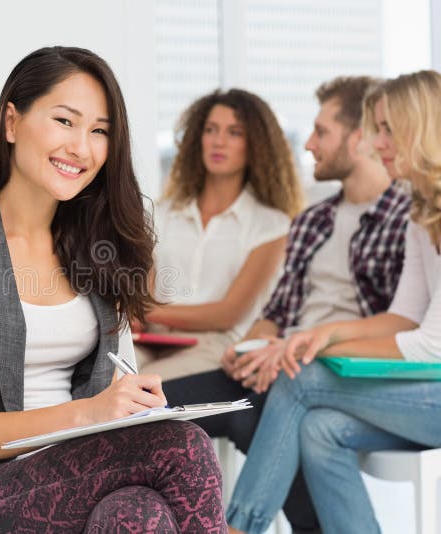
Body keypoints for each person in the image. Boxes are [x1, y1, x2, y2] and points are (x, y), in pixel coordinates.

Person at [0, 46, 227, 533]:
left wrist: (132, 403)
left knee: (137, 517)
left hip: (80, 473)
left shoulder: (98, 243)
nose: (82, 148)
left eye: (100, 131)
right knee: (185, 446)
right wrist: (90, 413)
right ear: (12, 122)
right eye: (65, 121)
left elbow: (114, 383)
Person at [162, 76, 411, 534]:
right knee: (163, 404)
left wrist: (291, 350)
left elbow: (405, 325)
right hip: (285, 366)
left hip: (340, 371)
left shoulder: (406, 215)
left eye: (321, 131)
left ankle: (237, 527)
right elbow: (277, 311)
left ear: (359, 138)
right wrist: (252, 349)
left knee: (254, 406)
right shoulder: (314, 221)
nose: (310, 144)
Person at [225, 70, 441, 534]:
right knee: (318, 429)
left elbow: (431, 347)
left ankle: (238, 528)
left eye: (386, 129)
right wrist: (322, 334)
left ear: (418, 128)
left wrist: (316, 349)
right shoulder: (422, 212)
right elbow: (402, 316)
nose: (376, 142)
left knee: (299, 377)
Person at [135, 89, 302, 381]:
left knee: (144, 389)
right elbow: (143, 288)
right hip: (153, 339)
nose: (218, 141)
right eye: (210, 130)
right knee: (104, 381)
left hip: (214, 344)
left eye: (234, 132)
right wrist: (143, 315)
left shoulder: (271, 225)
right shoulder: (163, 214)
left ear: (256, 146)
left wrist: (147, 312)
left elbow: (228, 314)